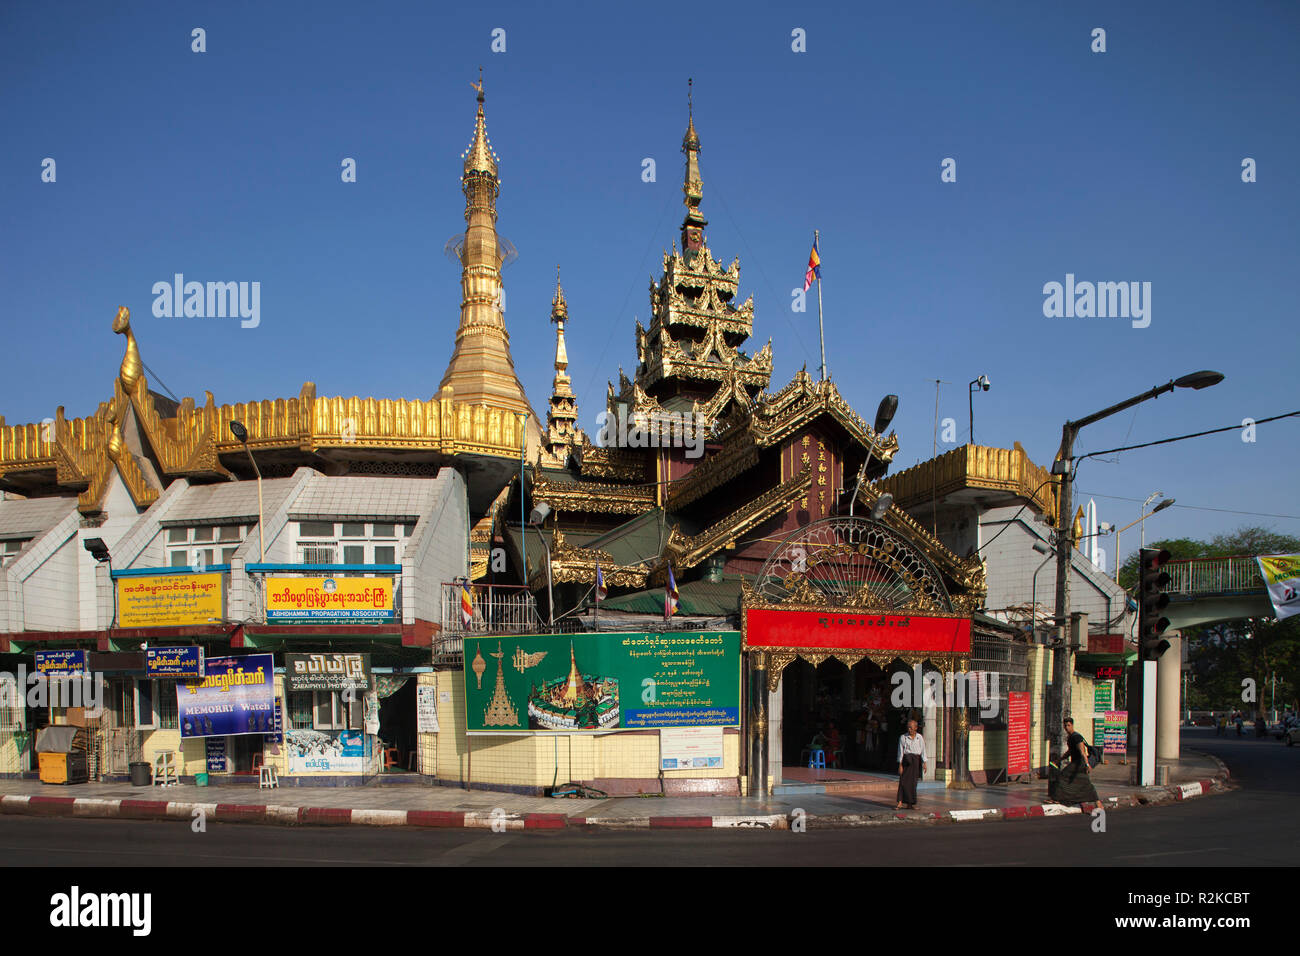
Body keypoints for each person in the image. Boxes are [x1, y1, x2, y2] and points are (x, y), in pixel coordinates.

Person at [1051, 717, 1100, 806]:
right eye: (1065, 726)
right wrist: (1059, 760)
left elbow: (1082, 752)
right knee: (1082, 782)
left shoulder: (1076, 737)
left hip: (1079, 763)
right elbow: (1069, 752)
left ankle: (1058, 798)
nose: (1067, 728)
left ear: (1072, 725)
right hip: (1076, 762)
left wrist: (1087, 764)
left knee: (1063, 776)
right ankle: (1097, 802)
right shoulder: (1070, 737)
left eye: (1069, 725)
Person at [895, 719, 927, 809]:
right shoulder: (903, 737)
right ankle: (900, 802)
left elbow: (923, 750)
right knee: (903, 781)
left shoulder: (919, 737)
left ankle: (910, 804)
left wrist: (924, 763)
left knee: (913, 783)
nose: (910, 730)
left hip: (916, 761)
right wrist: (900, 765)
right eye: (908, 727)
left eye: (912, 728)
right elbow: (900, 752)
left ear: (916, 728)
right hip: (906, 760)